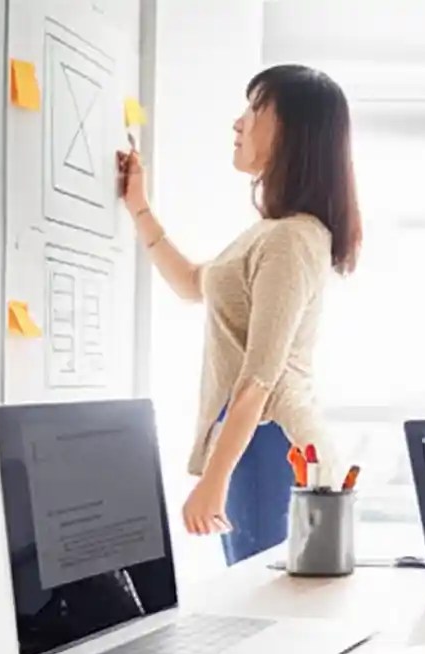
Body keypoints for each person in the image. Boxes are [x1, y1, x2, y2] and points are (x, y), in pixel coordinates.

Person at [116, 64, 361, 565]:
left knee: (266, 606)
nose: (238, 122)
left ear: (293, 129)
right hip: (253, 440)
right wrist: (138, 207)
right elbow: (190, 283)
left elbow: (259, 379)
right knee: (261, 603)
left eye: (253, 108)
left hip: (271, 442)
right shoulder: (271, 233)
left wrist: (214, 479)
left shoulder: (291, 240)